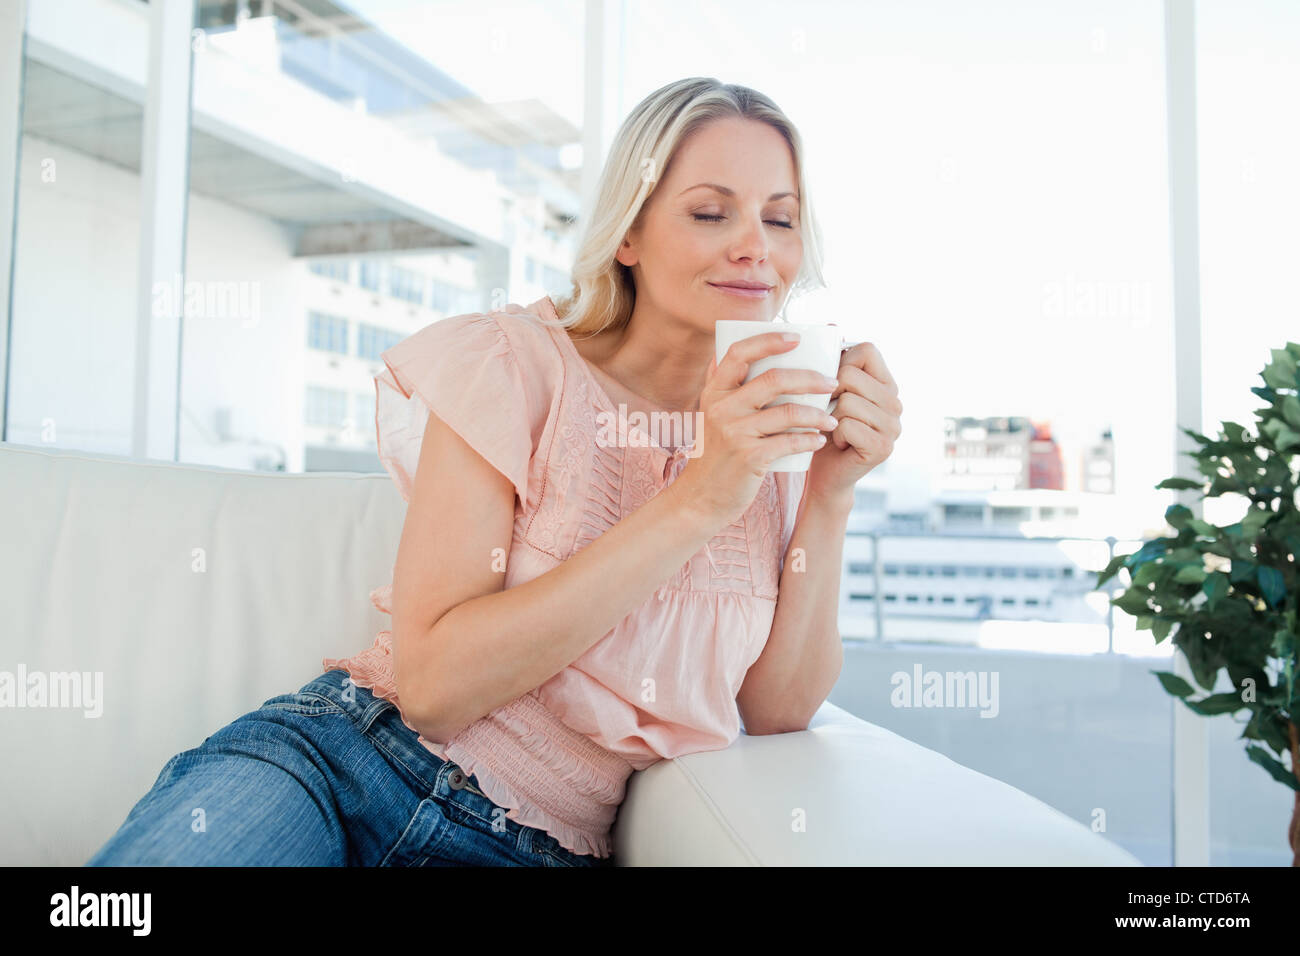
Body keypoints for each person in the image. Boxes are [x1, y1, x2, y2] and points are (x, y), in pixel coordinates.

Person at [86, 76, 902, 867]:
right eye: (710, 212)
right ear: (629, 235)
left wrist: (831, 497)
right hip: (340, 769)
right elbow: (435, 687)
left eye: (781, 219)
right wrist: (699, 498)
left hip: (537, 850)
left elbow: (777, 709)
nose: (755, 246)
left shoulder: (775, 450)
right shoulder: (513, 366)